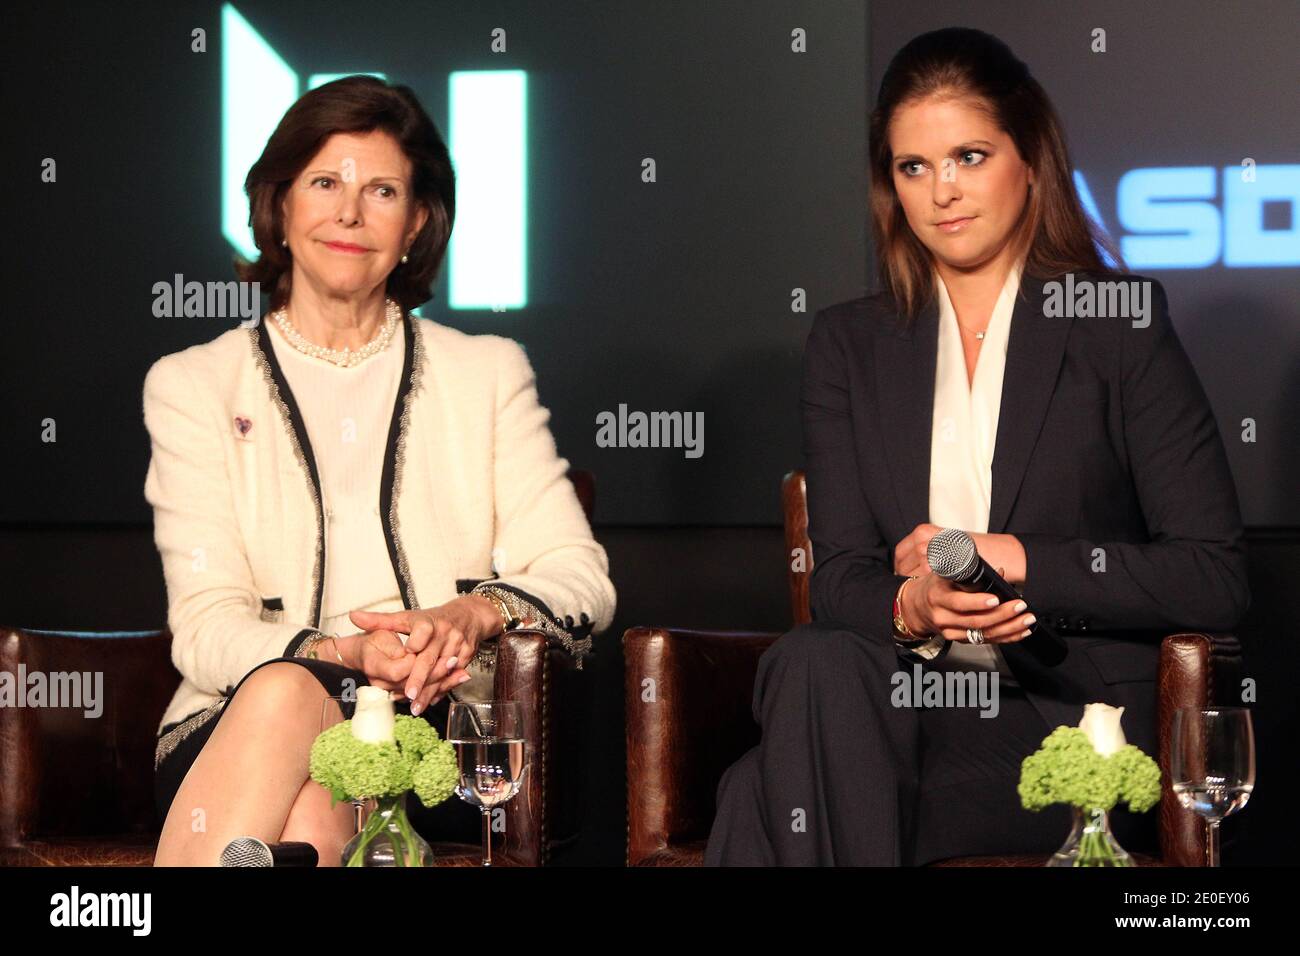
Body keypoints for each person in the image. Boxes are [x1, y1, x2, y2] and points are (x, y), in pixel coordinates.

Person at [705, 28, 1249, 866]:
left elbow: (1213, 576)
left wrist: (1006, 555)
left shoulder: (1119, 325)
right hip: (901, 700)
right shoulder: (849, 343)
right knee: (817, 658)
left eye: (968, 155)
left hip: (1066, 718)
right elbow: (843, 575)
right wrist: (909, 607)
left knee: (758, 794)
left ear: (1030, 156)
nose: (942, 191)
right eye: (913, 167)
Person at [147, 76, 615, 866]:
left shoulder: (488, 373)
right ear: (280, 206)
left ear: (418, 224)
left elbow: (583, 582)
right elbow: (204, 629)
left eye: (383, 190)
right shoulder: (192, 385)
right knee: (292, 699)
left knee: (317, 815)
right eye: (325, 182)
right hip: (237, 725)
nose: (350, 213)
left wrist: (469, 617)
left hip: (434, 740)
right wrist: (344, 656)